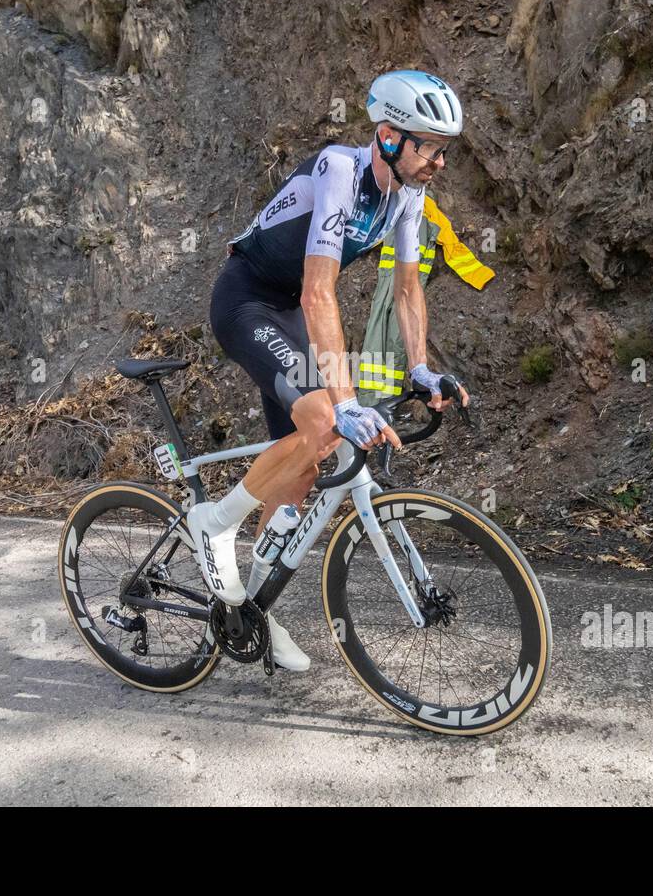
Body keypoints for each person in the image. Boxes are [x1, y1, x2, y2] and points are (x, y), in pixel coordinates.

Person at [191, 70, 471, 671]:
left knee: (301, 464)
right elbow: (321, 293)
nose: (440, 162)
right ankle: (212, 524)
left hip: (289, 313)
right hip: (246, 301)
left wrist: (420, 370)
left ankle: (251, 610)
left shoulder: (408, 195)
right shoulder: (339, 170)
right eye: (431, 147)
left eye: (445, 150)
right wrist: (344, 401)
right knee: (325, 422)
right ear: (391, 138)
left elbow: (406, 289)